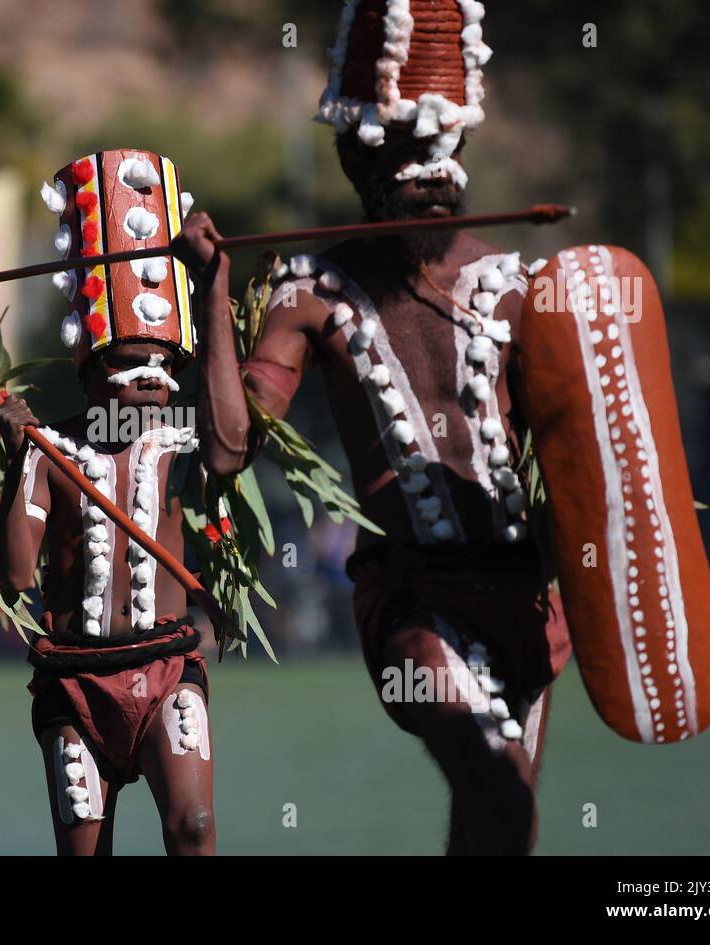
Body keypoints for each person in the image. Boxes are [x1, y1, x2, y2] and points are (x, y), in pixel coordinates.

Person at [196, 0, 570, 854]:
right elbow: (228, 447)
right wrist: (215, 290)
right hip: (413, 600)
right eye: (404, 159)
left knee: (501, 829)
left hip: (526, 596)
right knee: (498, 789)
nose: (428, 178)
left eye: (440, 158)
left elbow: (586, 451)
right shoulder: (308, 293)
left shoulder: (524, 289)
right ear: (357, 162)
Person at [0, 149, 218, 855]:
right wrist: (18, 459)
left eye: (163, 365)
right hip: (73, 685)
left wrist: (214, 286)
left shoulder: (185, 447)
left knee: (195, 825)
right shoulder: (52, 455)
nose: (151, 381)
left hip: (168, 671)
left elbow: (234, 441)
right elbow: (16, 577)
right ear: (91, 374)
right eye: (129, 363)